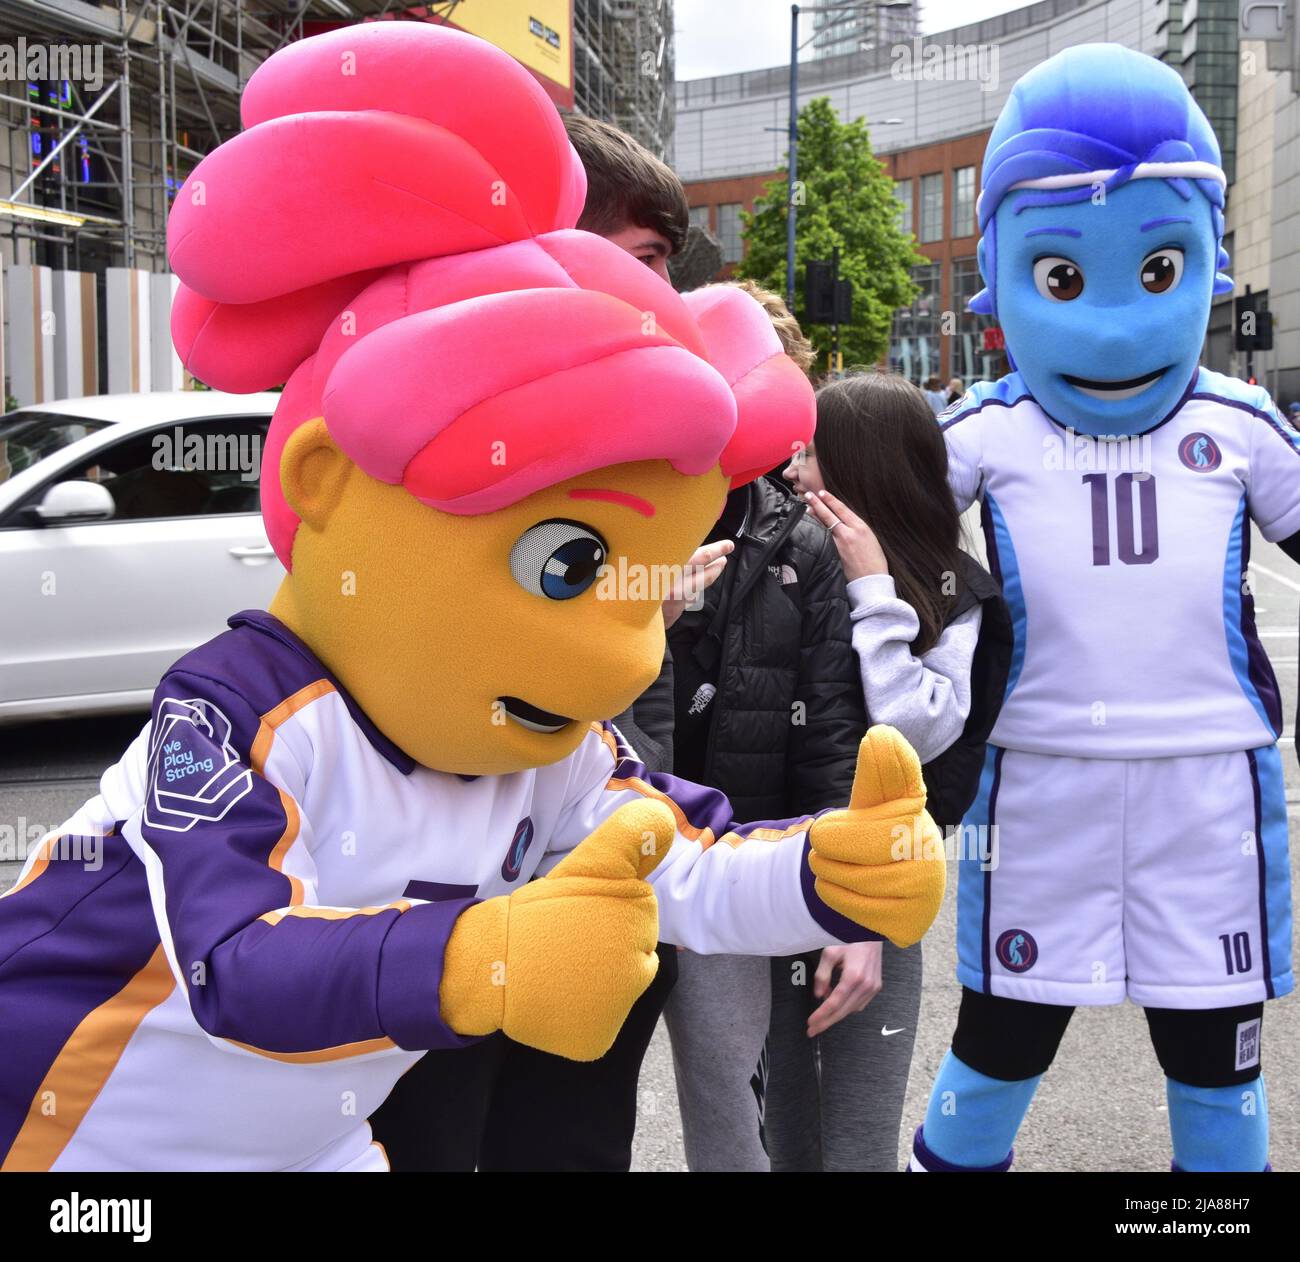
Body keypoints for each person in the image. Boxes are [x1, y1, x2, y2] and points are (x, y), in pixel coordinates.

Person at [0, 23, 946, 1173]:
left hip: (308, 1138)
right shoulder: (233, 710)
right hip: (73, 1134)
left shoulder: (541, 741)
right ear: (331, 486)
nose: (627, 654)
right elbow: (234, 961)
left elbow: (674, 857)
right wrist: (481, 957)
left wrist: (822, 872)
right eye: (566, 565)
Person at [913, 44, 1297, 1174]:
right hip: (1037, 787)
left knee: (1217, 1072)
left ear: (1208, 261)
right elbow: (885, 542)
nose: (1118, 326)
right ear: (1001, 265)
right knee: (993, 1053)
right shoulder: (984, 430)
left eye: (1161, 266)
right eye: (1065, 279)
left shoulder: (1238, 427)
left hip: (1206, 793)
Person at [368, 111, 705, 1173]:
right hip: (438, 919)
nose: (664, 301)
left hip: (593, 876)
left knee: (569, 1140)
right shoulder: (437, 431)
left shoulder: (659, 447)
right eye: (645, 262)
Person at [770, 372, 1011, 1171]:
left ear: (860, 467)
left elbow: (915, 728)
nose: (794, 469)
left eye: (810, 453)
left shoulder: (952, 586)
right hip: (772, 877)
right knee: (786, 1138)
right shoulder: (786, 553)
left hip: (880, 886)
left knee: (859, 1140)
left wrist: (874, 590)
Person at [660, 281, 875, 1171]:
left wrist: (846, 902)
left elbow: (831, 724)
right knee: (571, 1114)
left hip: (733, 857)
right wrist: (646, 618)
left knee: (730, 1113)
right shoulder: (624, 507)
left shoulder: (802, 539)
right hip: (606, 851)